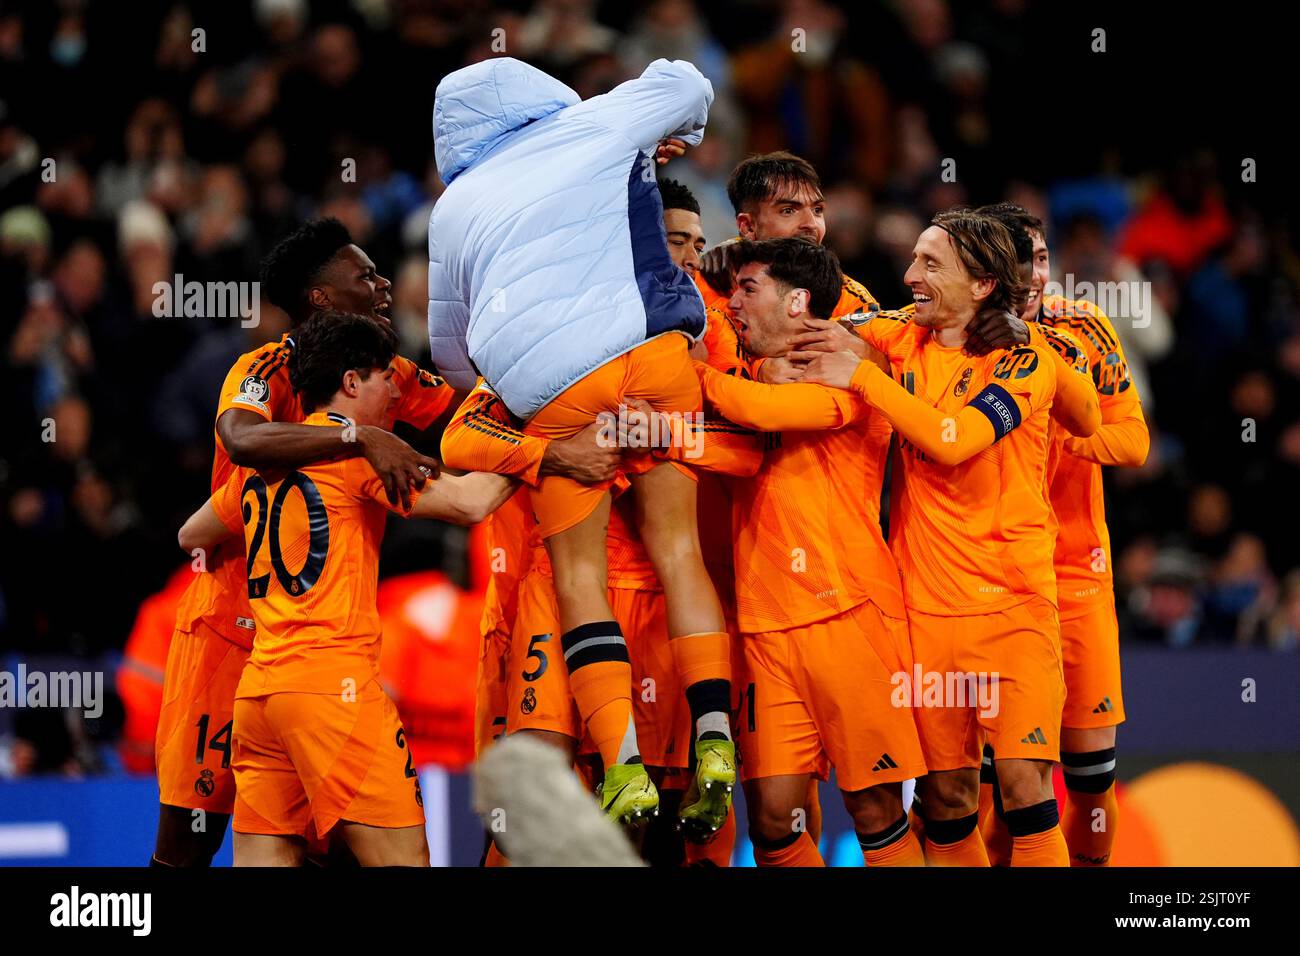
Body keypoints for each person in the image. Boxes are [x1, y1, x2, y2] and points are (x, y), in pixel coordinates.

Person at [429, 56, 735, 827]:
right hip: (657, 356)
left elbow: (450, 353)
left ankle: (623, 764)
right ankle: (716, 734)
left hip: (556, 391)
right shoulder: (595, 124)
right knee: (681, 555)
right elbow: (689, 82)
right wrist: (666, 130)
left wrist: (521, 367)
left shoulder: (452, 207)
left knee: (579, 579)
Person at [798, 210, 1100, 866]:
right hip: (926, 617)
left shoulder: (1021, 359)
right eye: (914, 259)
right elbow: (822, 326)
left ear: (984, 284)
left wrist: (863, 377)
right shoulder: (903, 334)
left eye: (931, 264)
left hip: (1014, 610)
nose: (910, 276)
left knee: (1025, 790)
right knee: (948, 796)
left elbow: (953, 440)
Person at [177, 311, 514, 866]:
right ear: (352, 382)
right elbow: (471, 502)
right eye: (388, 377)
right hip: (336, 692)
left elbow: (191, 534)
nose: (398, 395)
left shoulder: (264, 462)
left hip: (261, 693)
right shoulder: (356, 456)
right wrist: (537, 442)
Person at [694, 237, 927, 866]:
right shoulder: (746, 375)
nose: (734, 304)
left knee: (876, 807)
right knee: (772, 818)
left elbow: (762, 408)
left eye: (748, 289)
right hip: (765, 625)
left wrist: (685, 371)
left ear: (798, 301)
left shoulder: (847, 366)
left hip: (849, 615)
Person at [976, 203, 1150, 866]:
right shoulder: (954, 335)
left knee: (1091, 780)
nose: (1039, 274)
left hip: (1077, 573)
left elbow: (1133, 442)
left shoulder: (1085, 325)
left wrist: (1069, 441)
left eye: (1044, 258)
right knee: (998, 782)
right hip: (990, 580)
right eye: (1025, 261)